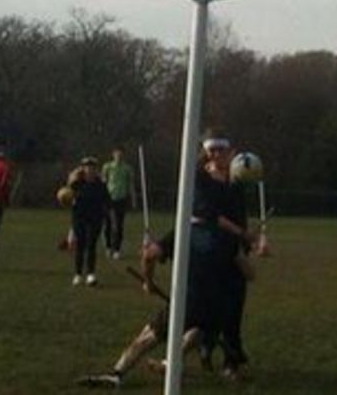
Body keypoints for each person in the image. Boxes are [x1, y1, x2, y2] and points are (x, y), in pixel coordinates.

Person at [75, 227, 224, 389]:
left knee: (147, 337)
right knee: (198, 330)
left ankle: (117, 373)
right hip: (217, 304)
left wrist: (149, 282)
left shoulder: (183, 231)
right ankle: (173, 362)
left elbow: (148, 255)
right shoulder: (223, 235)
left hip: (188, 300)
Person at [196, 131, 255, 380]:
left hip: (233, 252)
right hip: (209, 251)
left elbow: (241, 215)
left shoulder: (236, 181)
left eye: (222, 150)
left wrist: (249, 244)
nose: (217, 154)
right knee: (209, 308)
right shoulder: (200, 179)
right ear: (206, 152)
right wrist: (241, 233)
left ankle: (231, 362)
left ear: (230, 152)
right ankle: (206, 348)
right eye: (212, 150)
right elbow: (210, 215)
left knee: (234, 309)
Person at [68, 157, 111, 286]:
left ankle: (91, 274)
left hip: (95, 218)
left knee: (91, 244)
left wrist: (105, 213)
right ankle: (78, 274)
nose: (89, 169)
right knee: (80, 245)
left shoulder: (100, 184)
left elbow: (107, 200)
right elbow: (67, 194)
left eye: (91, 167)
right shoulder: (77, 183)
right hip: (79, 217)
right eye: (86, 167)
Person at [101, 147, 135, 260]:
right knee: (108, 223)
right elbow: (103, 181)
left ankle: (117, 249)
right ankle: (108, 247)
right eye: (117, 154)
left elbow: (130, 184)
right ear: (113, 154)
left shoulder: (127, 169)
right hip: (109, 197)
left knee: (119, 225)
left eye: (121, 154)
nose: (119, 156)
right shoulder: (108, 167)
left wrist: (133, 198)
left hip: (121, 198)